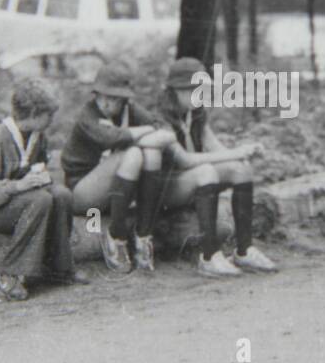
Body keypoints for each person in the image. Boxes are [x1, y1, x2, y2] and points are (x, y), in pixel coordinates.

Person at [157, 57, 278, 278]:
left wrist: (244, 152)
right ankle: (209, 256)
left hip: (190, 181)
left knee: (239, 169)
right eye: (191, 89)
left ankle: (244, 250)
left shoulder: (196, 114)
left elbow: (216, 149)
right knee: (207, 171)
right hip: (165, 187)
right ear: (174, 90)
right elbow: (184, 160)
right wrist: (235, 153)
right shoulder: (161, 117)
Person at [0, 79, 87, 300]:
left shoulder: (37, 136)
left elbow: (39, 169)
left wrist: (43, 176)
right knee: (41, 200)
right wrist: (18, 185)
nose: (51, 120)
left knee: (62, 195)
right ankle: (9, 274)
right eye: (48, 115)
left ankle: (59, 268)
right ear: (34, 113)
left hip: (24, 201)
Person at [60, 63, 177, 274]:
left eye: (113, 98)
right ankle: (117, 235)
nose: (105, 103)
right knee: (133, 153)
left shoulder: (130, 111)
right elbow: (111, 137)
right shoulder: (88, 114)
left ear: (124, 99)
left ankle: (143, 235)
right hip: (83, 194)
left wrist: (147, 134)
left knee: (151, 153)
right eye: (101, 96)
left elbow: (168, 132)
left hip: (114, 193)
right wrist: (148, 131)